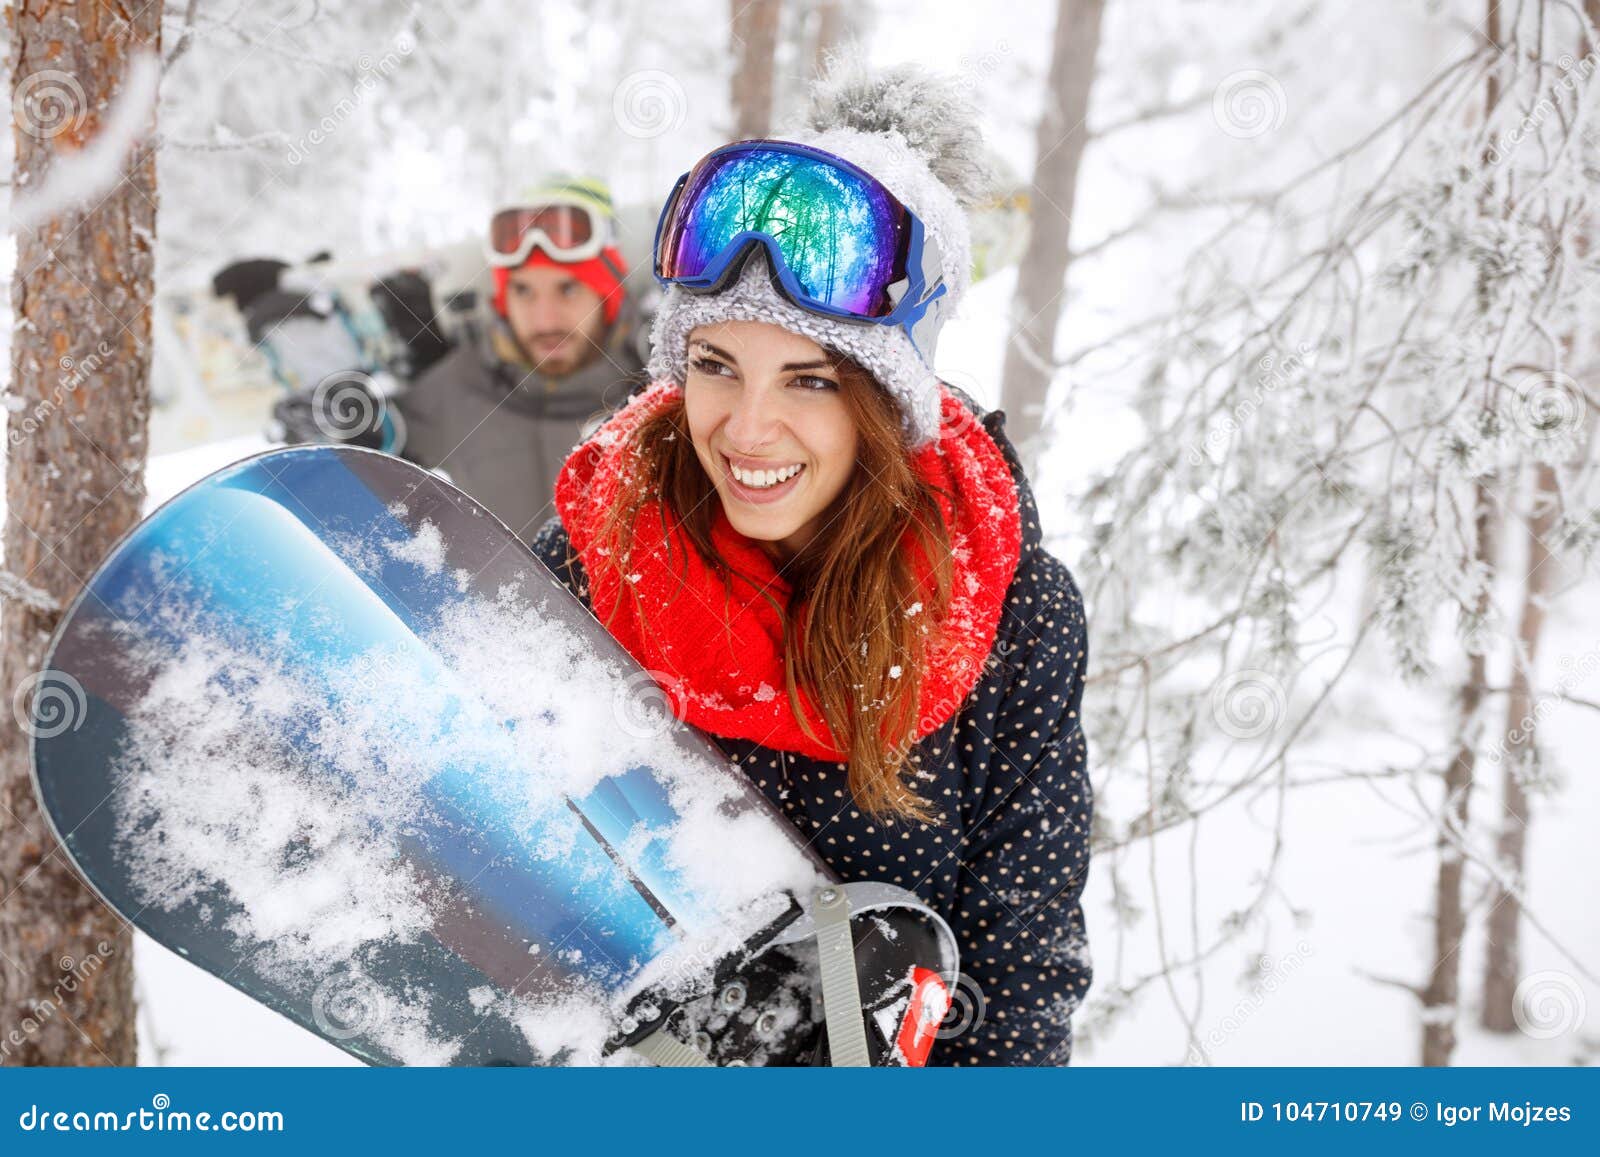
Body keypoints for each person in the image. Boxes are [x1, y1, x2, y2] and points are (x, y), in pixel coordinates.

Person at [528, 64, 1092, 1066]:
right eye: (714, 366)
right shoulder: (594, 555)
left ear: (889, 398)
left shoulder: (1009, 608)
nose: (746, 428)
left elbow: (1019, 973)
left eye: (810, 378)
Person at [398, 177, 648, 536]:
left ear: (607, 298)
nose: (545, 319)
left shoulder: (670, 389)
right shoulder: (441, 398)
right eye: (523, 290)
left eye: (568, 288)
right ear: (502, 299)